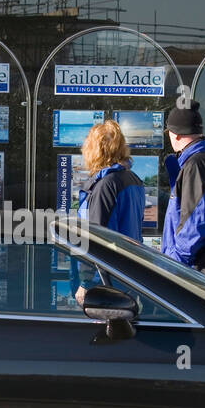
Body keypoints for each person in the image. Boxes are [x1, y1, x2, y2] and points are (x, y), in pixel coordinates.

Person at [161, 103, 205, 286]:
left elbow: (194, 226)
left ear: (174, 134)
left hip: (199, 279)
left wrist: (171, 266)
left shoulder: (195, 167)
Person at [73, 120, 145, 304]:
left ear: (95, 150)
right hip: (127, 273)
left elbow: (96, 238)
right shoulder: (132, 179)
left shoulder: (106, 185)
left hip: (106, 280)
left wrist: (86, 282)